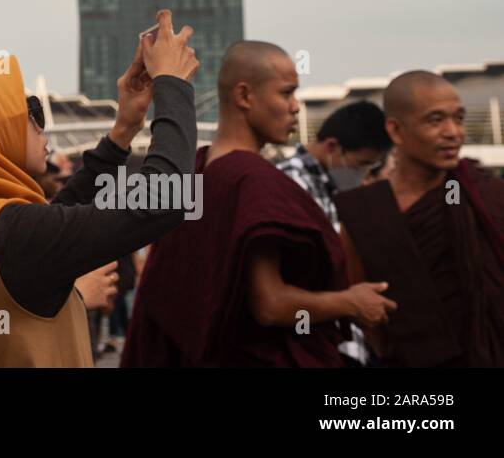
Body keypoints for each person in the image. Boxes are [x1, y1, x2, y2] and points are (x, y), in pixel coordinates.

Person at [0, 9, 200, 367]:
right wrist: (172, 84)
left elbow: (55, 215)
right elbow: (165, 198)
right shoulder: (9, 233)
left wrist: (122, 131)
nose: (40, 125)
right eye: (29, 111)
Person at [123, 41, 395, 367]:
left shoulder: (198, 168)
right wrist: (350, 302)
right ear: (244, 96)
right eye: (286, 93)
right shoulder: (252, 179)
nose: (296, 107)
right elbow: (269, 304)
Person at [336, 71, 504, 366]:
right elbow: (360, 302)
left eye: (459, 118)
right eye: (436, 120)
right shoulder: (365, 210)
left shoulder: (484, 194)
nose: (454, 132)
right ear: (396, 131)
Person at [277, 99, 391, 365]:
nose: (363, 175)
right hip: (312, 341)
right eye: (360, 164)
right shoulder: (288, 183)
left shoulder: (339, 187)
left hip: (348, 341)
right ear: (332, 147)